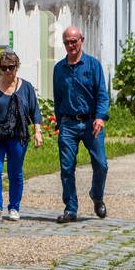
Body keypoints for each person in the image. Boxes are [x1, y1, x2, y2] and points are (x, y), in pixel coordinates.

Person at [0, 49, 42, 221]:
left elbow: (35, 111)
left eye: (11, 67)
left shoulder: (26, 87)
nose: (8, 71)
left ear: (17, 67)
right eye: (4, 68)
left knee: (15, 172)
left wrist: (37, 132)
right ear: (0, 68)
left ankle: (14, 208)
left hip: (18, 135)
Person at [53, 26, 110, 223]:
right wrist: (59, 124)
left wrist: (101, 117)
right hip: (68, 124)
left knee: (101, 165)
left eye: (74, 41)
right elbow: (58, 98)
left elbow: (102, 95)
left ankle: (97, 195)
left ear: (81, 40)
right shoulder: (59, 69)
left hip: (91, 122)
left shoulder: (93, 65)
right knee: (67, 168)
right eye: (67, 42)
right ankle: (71, 209)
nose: (71, 45)